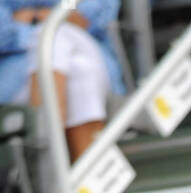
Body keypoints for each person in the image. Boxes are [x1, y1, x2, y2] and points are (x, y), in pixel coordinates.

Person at [0, 0, 123, 162]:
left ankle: (47, 166)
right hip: (16, 75)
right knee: (80, 69)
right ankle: (89, 175)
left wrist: (34, 20)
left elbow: (90, 16)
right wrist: (52, 19)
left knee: (53, 35)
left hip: (85, 49)